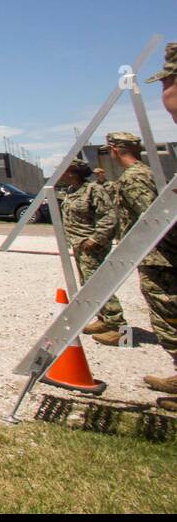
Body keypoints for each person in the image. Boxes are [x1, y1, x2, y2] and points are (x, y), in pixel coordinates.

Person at [95, 131, 177, 401]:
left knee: (168, 318)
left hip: (159, 257)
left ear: (116, 150)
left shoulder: (135, 177)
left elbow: (155, 218)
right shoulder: (144, 173)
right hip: (156, 255)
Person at [57, 160, 122, 336]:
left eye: (63, 170)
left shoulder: (94, 189)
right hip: (78, 244)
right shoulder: (71, 191)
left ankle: (117, 326)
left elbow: (109, 217)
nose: (60, 173)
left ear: (72, 172)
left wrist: (95, 239)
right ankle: (104, 319)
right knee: (88, 284)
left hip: (92, 246)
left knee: (97, 284)